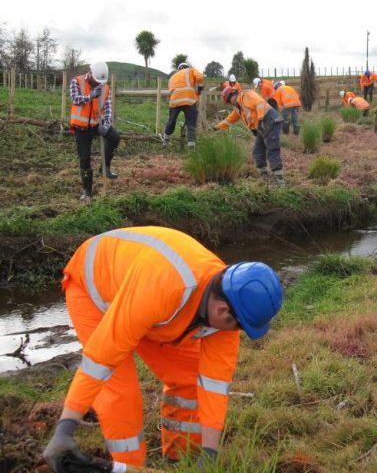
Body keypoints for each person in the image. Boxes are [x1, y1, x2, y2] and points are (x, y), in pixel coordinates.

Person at [42, 226, 283, 472]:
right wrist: (65, 427)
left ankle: (183, 456)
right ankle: (130, 465)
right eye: (237, 327)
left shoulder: (228, 306)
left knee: (188, 377)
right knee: (122, 393)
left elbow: (214, 384)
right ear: (222, 311)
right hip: (95, 289)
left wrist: (209, 454)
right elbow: (100, 361)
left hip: (152, 309)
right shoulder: (166, 286)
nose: (235, 333)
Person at [69, 61, 121, 201]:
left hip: (97, 125)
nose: (99, 84)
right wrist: (91, 96)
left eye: (101, 82)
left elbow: (108, 108)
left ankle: (105, 167)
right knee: (85, 158)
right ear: (90, 73)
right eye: (97, 80)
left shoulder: (105, 87)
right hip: (82, 128)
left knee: (114, 138)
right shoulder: (77, 81)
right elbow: (75, 99)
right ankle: (87, 190)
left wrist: (106, 124)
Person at [217, 85, 285, 184]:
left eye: (228, 101)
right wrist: (216, 128)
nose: (229, 104)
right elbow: (229, 120)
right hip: (262, 125)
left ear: (233, 95)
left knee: (272, 148)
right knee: (257, 151)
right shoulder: (239, 108)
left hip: (270, 120)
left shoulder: (246, 94)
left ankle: (280, 181)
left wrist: (260, 120)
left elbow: (260, 103)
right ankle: (264, 175)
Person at [163, 62, 205, 148]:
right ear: (187, 67)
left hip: (175, 100)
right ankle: (191, 147)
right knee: (191, 123)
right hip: (188, 99)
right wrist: (200, 88)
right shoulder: (190, 70)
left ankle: (165, 141)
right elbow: (200, 77)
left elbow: (171, 90)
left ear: (178, 69)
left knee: (171, 120)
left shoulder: (172, 77)